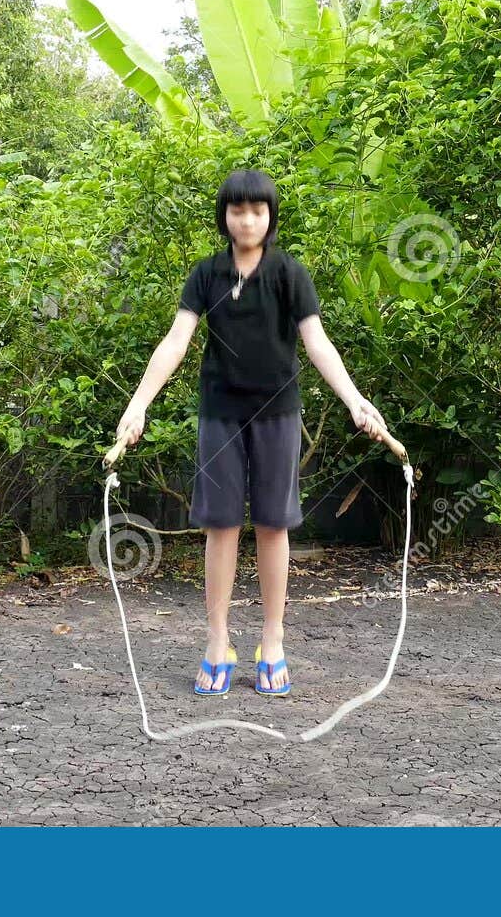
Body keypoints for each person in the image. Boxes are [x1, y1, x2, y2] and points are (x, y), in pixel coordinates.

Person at [114, 168, 389, 697]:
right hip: (219, 413)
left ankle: (273, 640)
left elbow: (318, 343)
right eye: (238, 210)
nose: (247, 220)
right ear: (224, 216)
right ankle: (217, 642)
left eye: (257, 211)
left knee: (273, 525)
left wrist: (355, 400)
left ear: (270, 217)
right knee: (220, 526)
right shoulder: (206, 274)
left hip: (278, 414)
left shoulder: (290, 274)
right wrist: (138, 405)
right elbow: (176, 341)